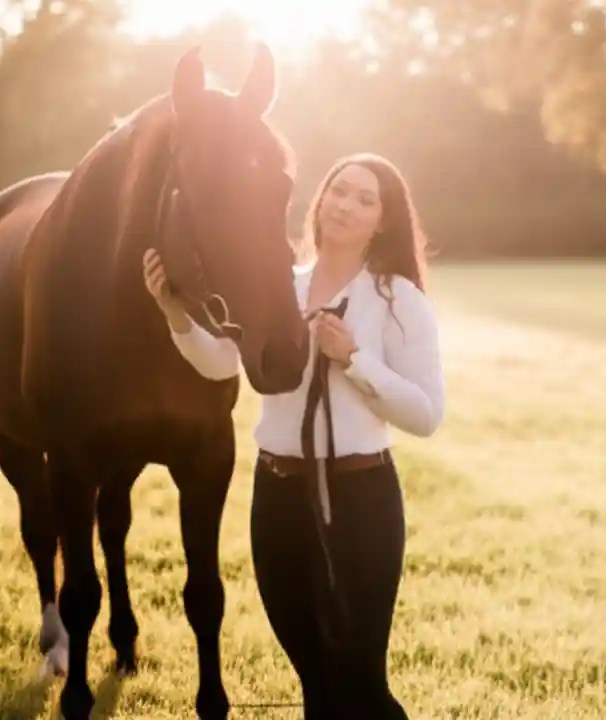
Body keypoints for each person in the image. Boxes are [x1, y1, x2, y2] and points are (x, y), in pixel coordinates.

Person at [142, 153, 445, 718]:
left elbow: (426, 415)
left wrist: (352, 358)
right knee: (312, 676)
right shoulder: (277, 286)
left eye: (365, 199)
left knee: (357, 681)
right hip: (278, 496)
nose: (346, 205)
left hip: (361, 498)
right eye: (339, 190)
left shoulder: (397, 298)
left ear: (383, 220)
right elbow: (218, 365)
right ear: (320, 199)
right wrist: (174, 312)